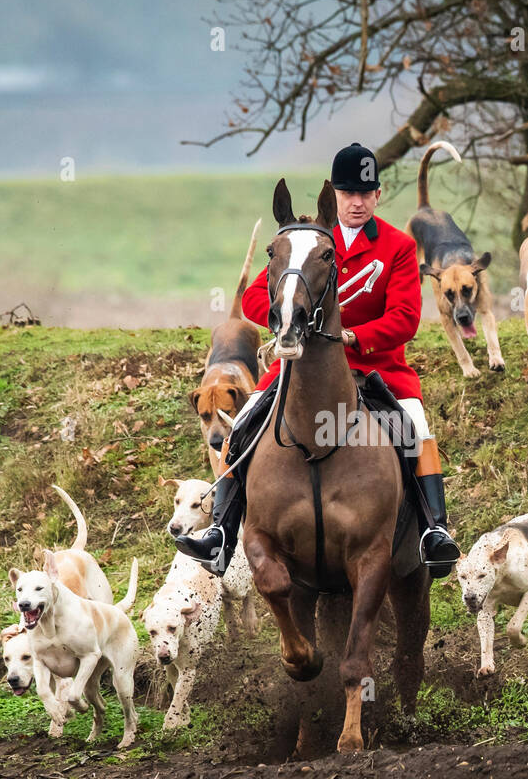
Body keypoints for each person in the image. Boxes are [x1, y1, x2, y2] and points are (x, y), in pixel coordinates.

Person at [175, 142, 461, 579]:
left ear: (378, 195)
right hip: (300, 369)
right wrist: (284, 316)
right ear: (335, 196)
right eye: (348, 192)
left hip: (375, 368)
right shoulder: (305, 241)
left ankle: (433, 531)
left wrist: (350, 336)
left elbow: (405, 319)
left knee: (415, 424)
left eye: (365, 193)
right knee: (246, 417)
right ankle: (221, 533)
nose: (357, 201)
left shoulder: (398, 246)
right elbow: (255, 298)